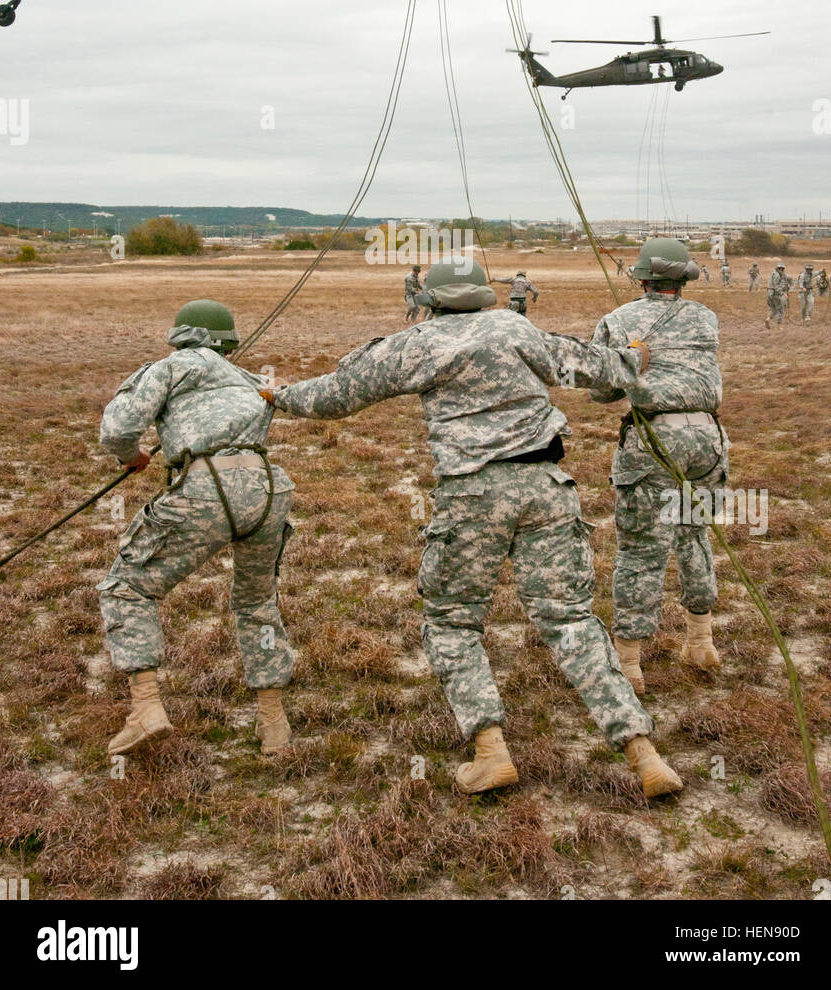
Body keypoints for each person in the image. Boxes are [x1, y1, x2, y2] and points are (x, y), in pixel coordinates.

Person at [262, 260, 683, 799]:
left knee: (454, 622)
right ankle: (643, 755)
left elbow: (337, 395)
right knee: (571, 619)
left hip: (472, 493)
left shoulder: (415, 344)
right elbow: (595, 369)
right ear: (484, 295)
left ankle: (491, 752)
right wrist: (635, 356)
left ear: (429, 300)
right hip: (546, 486)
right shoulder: (515, 326)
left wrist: (278, 393)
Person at [96, 300, 295, 759]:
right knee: (257, 603)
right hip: (266, 489)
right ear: (229, 341)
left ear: (180, 336)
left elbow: (117, 427)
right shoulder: (250, 379)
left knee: (127, 588)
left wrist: (131, 457)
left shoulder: (169, 368)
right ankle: (274, 727)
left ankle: (146, 709)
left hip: (204, 489)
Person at [556, 238, 728, 697]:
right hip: (708, 438)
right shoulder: (705, 317)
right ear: (682, 278)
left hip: (655, 438)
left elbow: (602, 388)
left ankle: (630, 664)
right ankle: (701, 642)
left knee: (641, 550)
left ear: (643, 276)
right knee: (695, 535)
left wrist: (629, 363)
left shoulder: (619, 319)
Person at [765, 262, 791, 329]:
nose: (781, 270)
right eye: (780, 269)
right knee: (781, 310)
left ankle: (768, 319)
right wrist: (783, 293)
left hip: (769, 294)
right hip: (774, 294)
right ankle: (779, 326)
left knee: (774, 309)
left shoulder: (772, 273)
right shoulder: (777, 275)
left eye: (782, 269)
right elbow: (776, 286)